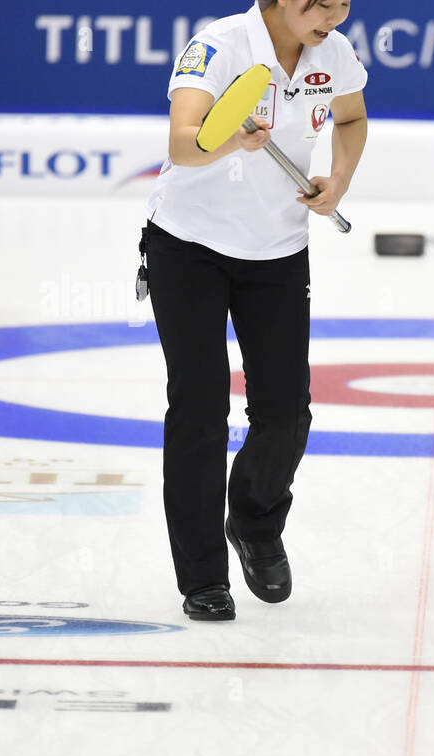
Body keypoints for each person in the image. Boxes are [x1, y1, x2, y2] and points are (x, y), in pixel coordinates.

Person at [142, 0, 367, 620]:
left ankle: (255, 522)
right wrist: (227, 141)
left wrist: (338, 179)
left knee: (286, 413)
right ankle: (203, 576)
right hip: (189, 248)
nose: (334, 15)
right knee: (200, 410)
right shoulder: (219, 46)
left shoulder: (335, 53)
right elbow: (184, 144)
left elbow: (350, 119)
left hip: (278, 252)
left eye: (343, 2)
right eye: (319, 3)